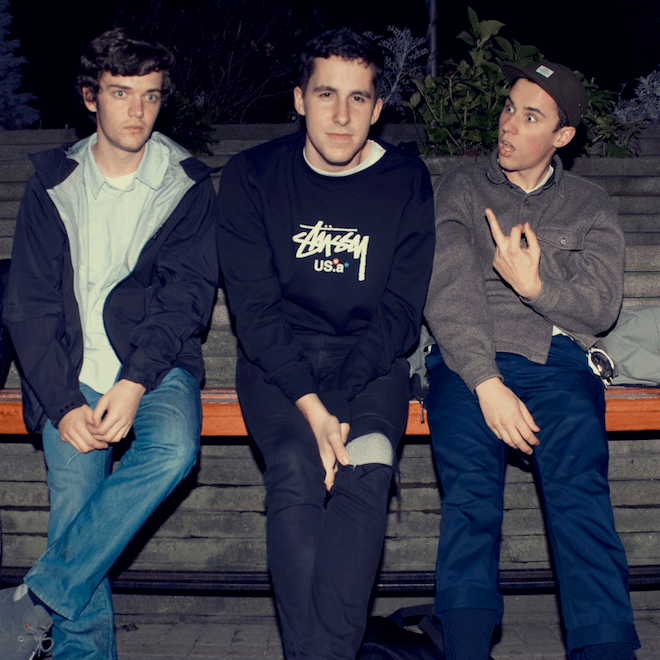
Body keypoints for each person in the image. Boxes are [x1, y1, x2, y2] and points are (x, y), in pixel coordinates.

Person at [0, 28, 218, 660]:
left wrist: (133, 381)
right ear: (90, 96)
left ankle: (39, 596)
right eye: (121, 93)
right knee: (76, 501)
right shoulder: (53, 183)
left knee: (174, 448)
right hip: (67, 371)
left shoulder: (185, 183)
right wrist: (63, 403)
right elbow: (29, 306)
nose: (137, 111)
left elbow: (185, 297)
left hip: (156, 365)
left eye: (151, 95)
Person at [217, 28, 435, 660]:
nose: (342, 115)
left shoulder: (405, 180)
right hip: (279, 364)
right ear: (299, 99)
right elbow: (256, 315)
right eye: (326, 94)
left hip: (370, 363)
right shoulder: (253, 176)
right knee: (294, 465)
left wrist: (340, 399)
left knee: (367, 467)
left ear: (377, 107)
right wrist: (316, 411)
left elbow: (401, 312)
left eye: (358, 97)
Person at [423, 60, 641, 660]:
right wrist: (486, 381)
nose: (509, 124)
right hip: (468, 363)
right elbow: (447, 288)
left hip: (558, 363)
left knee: (580, 497)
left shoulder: (591, 205)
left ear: (562, 135)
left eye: (530, 116)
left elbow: (599, 307)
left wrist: (535, 286)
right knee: (470, 497)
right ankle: (465, 648)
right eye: (508, 108)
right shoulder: (462, 189)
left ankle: (606, 650)